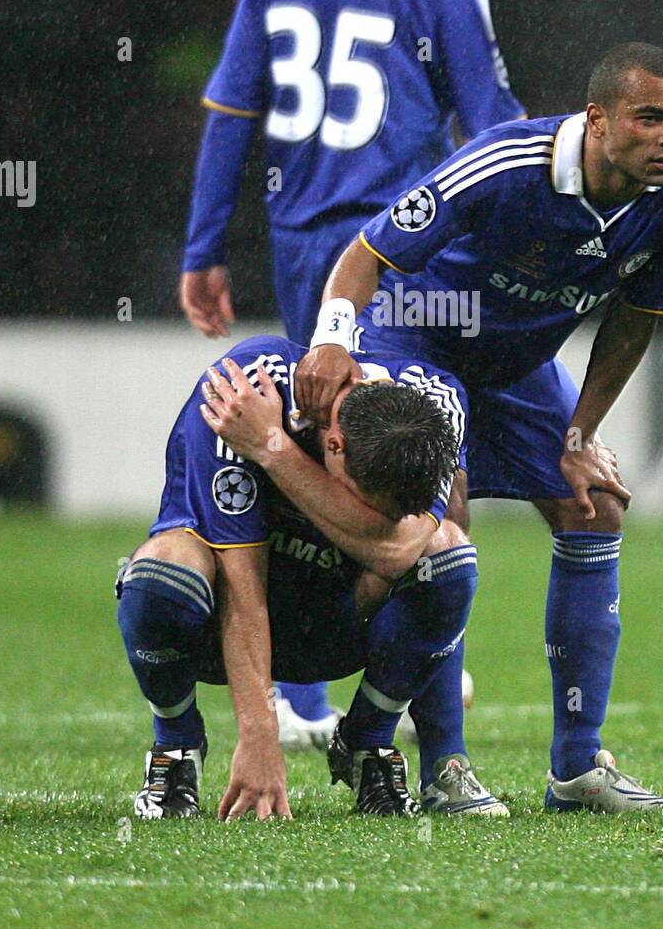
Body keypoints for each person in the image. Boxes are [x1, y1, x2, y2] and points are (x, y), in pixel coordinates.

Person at [296, 42, 663, 814]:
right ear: (596, 120)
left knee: (594, 502)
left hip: (516, 362)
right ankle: (443, 771)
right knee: (443, 514)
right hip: (417, 333)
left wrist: (580, 433)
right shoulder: (503, 162)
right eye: (649, 117)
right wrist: (331, 338)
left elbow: (634, 319)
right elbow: (367, 251)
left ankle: (576, 767)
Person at [178, 0, 524, 745]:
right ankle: (422, 688)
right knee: (417, 439)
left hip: (299, 237)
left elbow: (229, 106)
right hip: (395, 242)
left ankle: (299, 691)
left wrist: (203, 245)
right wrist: (532, 221)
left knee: (319, 433)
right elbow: (489, 119)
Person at [116, 336, 507, 820]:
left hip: (342, 625)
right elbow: (243, 585)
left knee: (447, 554)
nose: (374, 519)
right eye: (371, 508)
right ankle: (176, 748)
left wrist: (273, 450)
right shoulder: (239, 393)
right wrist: (259, 736)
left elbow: (400, 549)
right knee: (165, 567)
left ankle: (368, 743)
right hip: (221, 629)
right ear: (335, 445)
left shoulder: (434, 404)